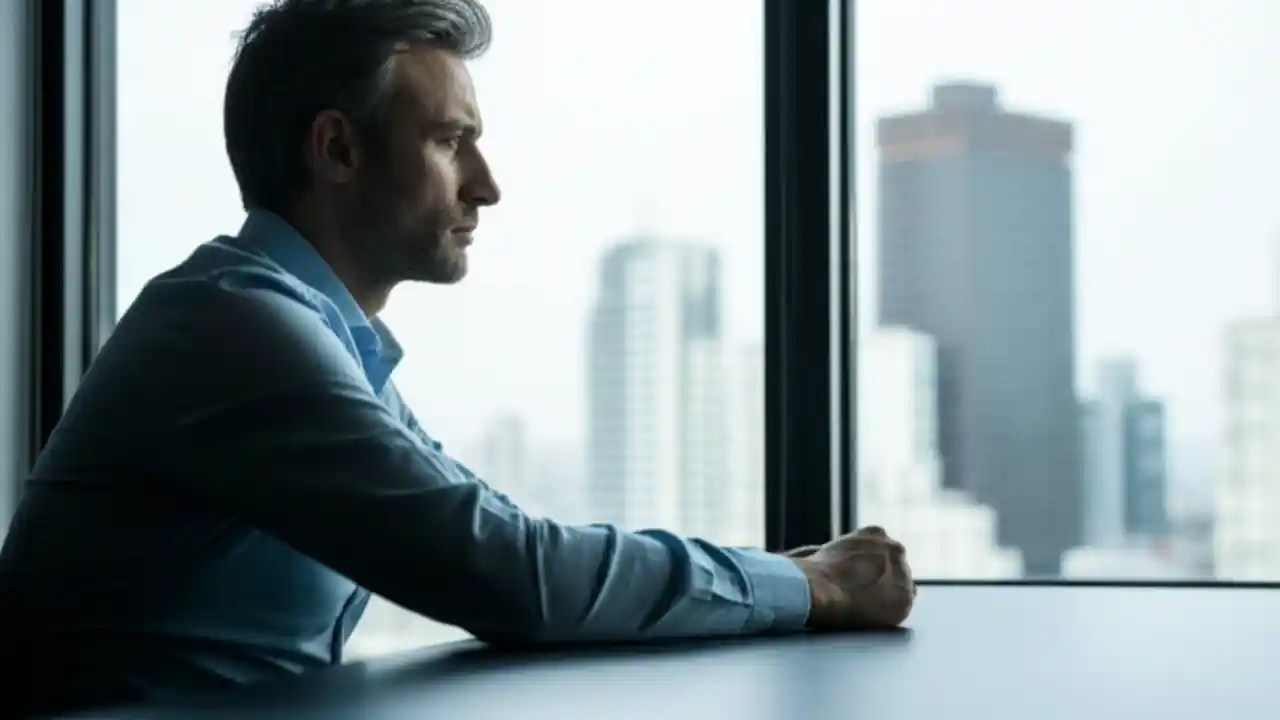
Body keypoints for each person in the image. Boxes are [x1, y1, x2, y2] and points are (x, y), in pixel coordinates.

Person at [0, 0, 915, 712]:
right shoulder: (236, 330)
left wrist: (785, 580)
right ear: (337, 149)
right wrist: (805, 585)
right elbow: (511, 571)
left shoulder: (307, 336)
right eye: (448, 141)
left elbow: (501, 535)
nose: (487, 185)